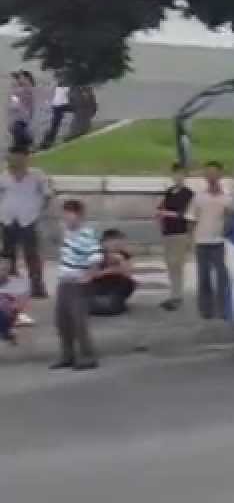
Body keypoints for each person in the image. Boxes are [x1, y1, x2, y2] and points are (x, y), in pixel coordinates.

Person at [51, 199, 99, 370]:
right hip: (64, 282)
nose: (66, 218)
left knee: (79, 322)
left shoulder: (87, 234)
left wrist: (88, 276)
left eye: (69, 215)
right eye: (64, 214)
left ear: (79, 216)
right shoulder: (65, 232)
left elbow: (95, 258)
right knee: (62, 321)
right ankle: (67, 355)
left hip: (78, 285)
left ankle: (88, 356)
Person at [0, 145, 53, 299]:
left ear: (26, 158)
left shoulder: (37, 175)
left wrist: (38, 210)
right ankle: (8, 286)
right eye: (11, 158)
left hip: (28, 219)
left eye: (18, 157)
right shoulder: (4, 176)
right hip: (7, 219)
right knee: (7, 254)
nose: (14, 161)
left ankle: (37, 287)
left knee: (32, 254)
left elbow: (47, 194)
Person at [187, 161, 232, 320]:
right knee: (204, 277)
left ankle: (223, 309)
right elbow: (191, 219)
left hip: (220, 243)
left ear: (220, 175)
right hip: (202, 242)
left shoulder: (227, 198)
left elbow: (231, 219)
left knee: (222, 277)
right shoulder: (198, 198)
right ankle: (206, 310)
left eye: (214, 173)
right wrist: (189, 240)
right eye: (208, 173)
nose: (211, 176)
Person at [156, 163, 194, 311]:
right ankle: (173, 295)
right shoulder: (169, 192)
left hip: (180, 232)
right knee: (170, 265)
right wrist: (160, 216)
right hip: (168, 232)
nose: (178, 177)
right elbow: (161, 207)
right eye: (176, 174)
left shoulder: (188, 193)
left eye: (181, 174)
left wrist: (166, 214)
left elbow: (185, 214)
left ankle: (177, 297)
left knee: (177, 264)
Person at [87, 229, 135, 316]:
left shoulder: (124, 255)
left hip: (117, 285)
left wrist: (121, 260)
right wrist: (111, 270)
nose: (116, 246)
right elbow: (93, 275)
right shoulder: (97, 255)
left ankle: (116, 302)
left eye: (120, 243)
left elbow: (128, 274)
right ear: (103, 243)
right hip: (100, 285)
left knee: (129, 283)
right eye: (113, 243)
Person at [0, 264, 30, 345]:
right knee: (6, 324)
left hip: (10, 310)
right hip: (5, 310)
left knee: (9, 324)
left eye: (4, 272)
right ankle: (8, 334)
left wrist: (17, 306)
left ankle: (10, 335)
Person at [41, 76, 71, 150]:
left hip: (57, 106)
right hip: (60, 106)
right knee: (55, 126)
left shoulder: (59, 88)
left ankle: (47, 142)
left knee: (54, 125)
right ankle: (46, 142)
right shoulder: (65, 88)